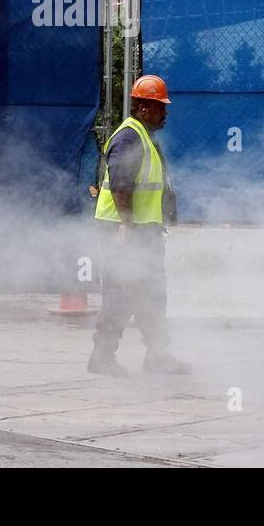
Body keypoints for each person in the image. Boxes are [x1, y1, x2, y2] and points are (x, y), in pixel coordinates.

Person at [88, 74, 191, 377]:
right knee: (122, 293)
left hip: (141, 231)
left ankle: (159, 356)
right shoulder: (129, 137)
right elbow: (121, 185)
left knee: (151, 294)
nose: (165, 113)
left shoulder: (144, 138)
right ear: (144, 107)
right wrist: (128, 226)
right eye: (160, 106)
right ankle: (102, 357)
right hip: (125, 233)